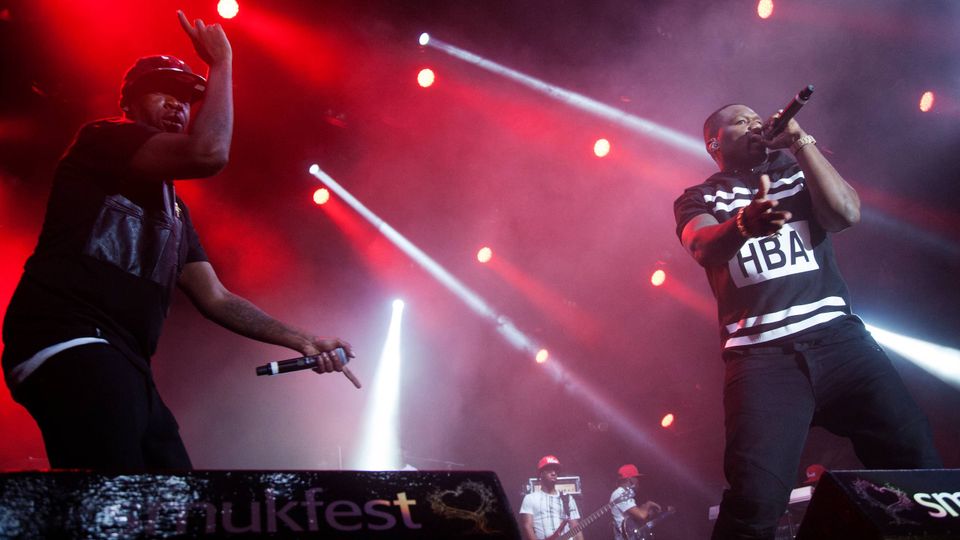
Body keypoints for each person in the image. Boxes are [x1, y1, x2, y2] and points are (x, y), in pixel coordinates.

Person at [1, 11, 357, 471]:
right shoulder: (102, 141)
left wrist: (303, 339)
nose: (179, 106)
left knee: (176, 493)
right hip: (67, 339)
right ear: (129, 104)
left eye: (188, 99)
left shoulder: (176, 211)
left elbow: (217, 298)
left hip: (125, 362)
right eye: (164, 93)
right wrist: (222, 63)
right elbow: (208, 153)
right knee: (115, 497)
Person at [673, 102, 942, 539]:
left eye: (758, 118)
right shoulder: (699, 197)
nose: (755, 124)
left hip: (840, 343)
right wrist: (743, 223)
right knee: (755, 498)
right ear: (714, 142)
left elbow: (847, 214)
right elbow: (702, 246)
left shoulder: (794, 172)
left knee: (916, 462)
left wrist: (800, 142)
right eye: (741, 121)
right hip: (761, 358)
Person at [519, 455, 583, 540]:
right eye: (549, 470)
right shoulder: (530, 498)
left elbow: (576, 528)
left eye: (556, 470)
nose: (554, 473)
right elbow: (527, 526)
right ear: (541, 473)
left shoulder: (567, 498)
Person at [610, 464, 662, 540]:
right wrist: (648, 504)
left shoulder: (623, 493)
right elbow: (641, 515)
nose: (638, 481)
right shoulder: (619, 493)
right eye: (636, 477)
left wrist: (646, 509)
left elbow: (637, 515)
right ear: (630, 479)